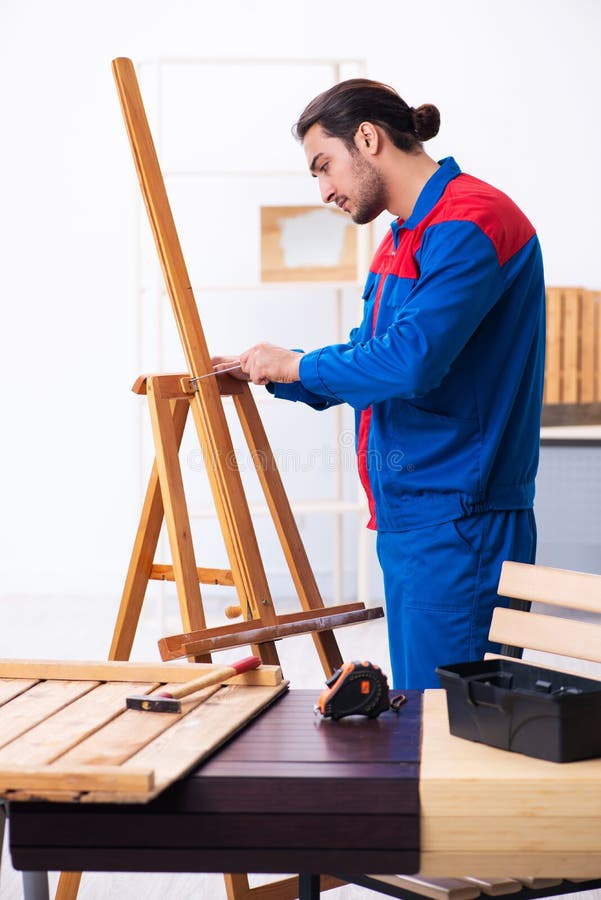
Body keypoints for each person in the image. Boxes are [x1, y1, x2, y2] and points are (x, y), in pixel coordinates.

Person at [215, 78, 546, 690]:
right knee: (429, 715)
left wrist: (295, 365)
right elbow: (376, 357)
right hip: (415, 518)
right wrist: (274, 370)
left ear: (367, 138)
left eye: (325, 166)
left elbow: (411, 363)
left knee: (450, 727)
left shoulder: (471, 222)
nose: (324, 191)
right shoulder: (403, 238)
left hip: (459, 520)